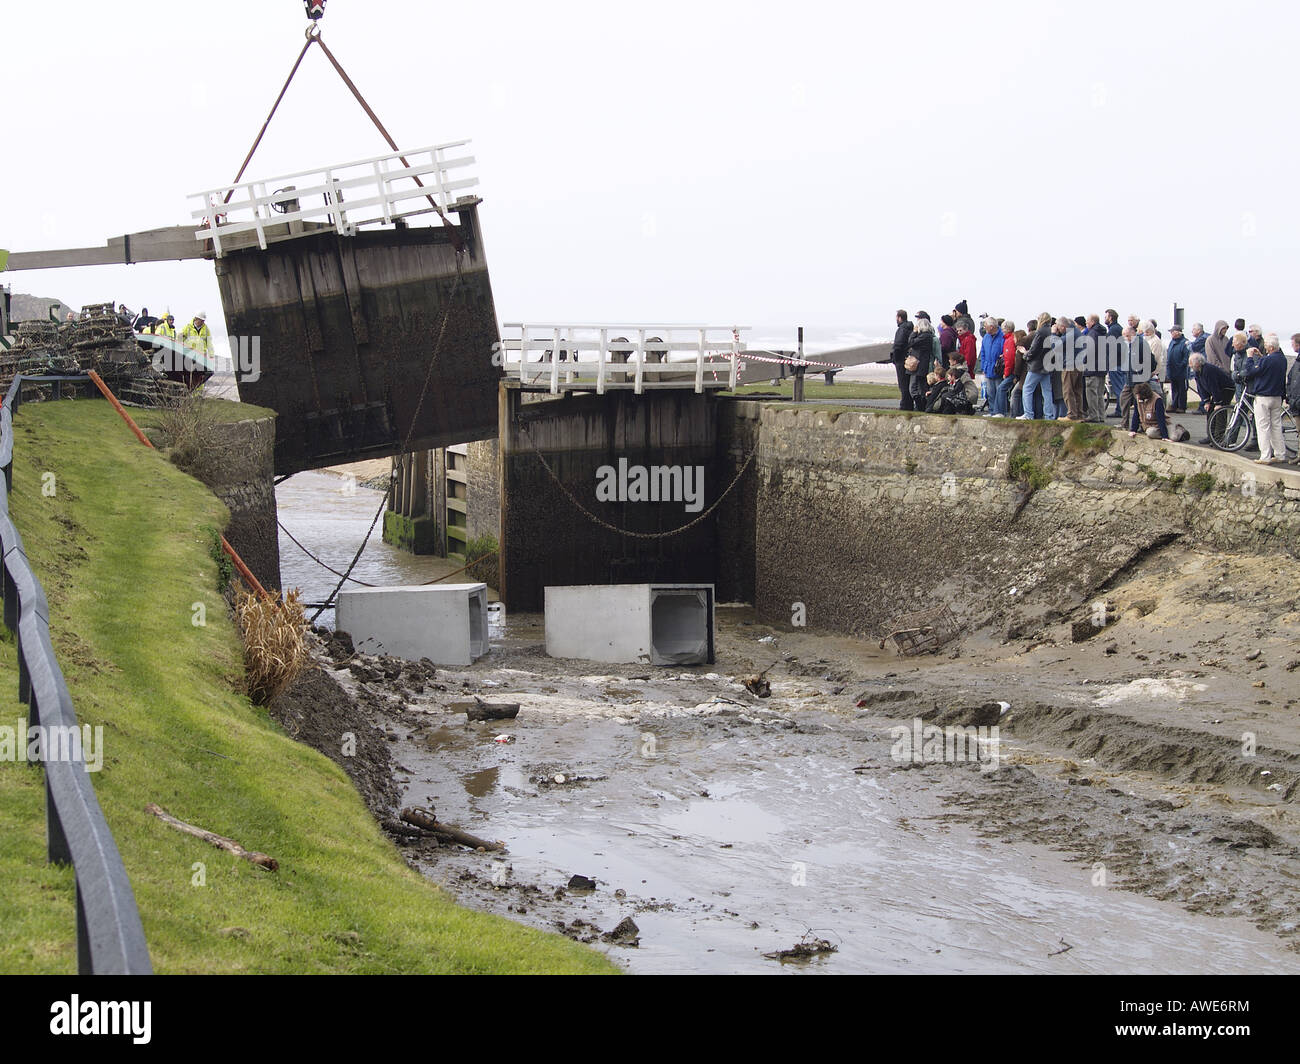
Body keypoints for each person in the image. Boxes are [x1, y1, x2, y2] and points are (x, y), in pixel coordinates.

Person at [1240, 337, 1288, 463]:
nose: (1265, 347)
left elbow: (1251, 371)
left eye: (1266, 346)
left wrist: (1250, 357)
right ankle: (1280, 454)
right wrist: (1262, 356)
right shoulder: (1282, 359)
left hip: (1263, 397)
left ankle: (1265, 456)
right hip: (1277, 397)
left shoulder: (1267, 360)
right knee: (1276, 426)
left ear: (1271, 348)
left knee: (1263, 427)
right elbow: (1267, 366)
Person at [1018, 313, 1057, 420]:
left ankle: (1028, 414)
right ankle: (1049, 415)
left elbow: (1034, 350)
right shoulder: (1052, 332)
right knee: (1047, 392)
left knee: (1027, 389)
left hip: (1036, 366)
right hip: (1047, 366)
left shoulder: (1039, 332)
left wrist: (1025, 354)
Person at [1189, 352, 1234, 443]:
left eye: (1191, 363)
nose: (1190, 365)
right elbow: (1200, 387)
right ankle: (1211, 436)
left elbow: (1214, 386)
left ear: (1198, 363)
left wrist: (1218, 403)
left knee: (1220, 412)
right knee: (1210, 411)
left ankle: (1218, 438)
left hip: (1226, 388)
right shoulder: (1197, 372)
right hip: (1217, 390)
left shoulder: (1208, 370)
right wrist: (1206, 401)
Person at [907, 317, 935, 409]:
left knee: (914, 388)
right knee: (920, 387)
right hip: (921, 364)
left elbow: (911, 342)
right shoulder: (928, 336)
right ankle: (921, 405)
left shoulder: (925, 336)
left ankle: (920, 406)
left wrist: (914, 332)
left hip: (918, 365)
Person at [891, 309, 915, 410]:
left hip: (901, 360)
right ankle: (908, 404)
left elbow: (898, 345)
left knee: (903, 383)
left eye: (897, 317)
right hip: (908, 358)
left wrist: (895, 358)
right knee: (907, 382)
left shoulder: (902, 329)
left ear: (900, 318)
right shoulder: (910, 328)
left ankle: (904, 405)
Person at [993, 319, 1017, 416]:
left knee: (1001, 388)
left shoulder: (1009, 340)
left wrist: (1006, 373)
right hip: (1013, 370)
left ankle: (1000, 411)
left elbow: (1010, 359)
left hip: (1011, 371)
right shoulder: (1011, 339)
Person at [978, 316, 1002, 411]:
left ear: (991, 326)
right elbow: (982, 353)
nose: (984, 328)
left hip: (998, 369)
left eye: (985, 326)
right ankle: (992, 411)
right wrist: (983, 367)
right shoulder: (986, 338)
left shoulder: (1002, 336)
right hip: (988, 369)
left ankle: (999, 411)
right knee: (990, 392)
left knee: (999, 392)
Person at [1166, 323, 1190, 412]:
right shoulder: (1172, 342)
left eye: (1172, 331)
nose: (1171, 333)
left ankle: (1181, 406)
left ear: (1178, 332)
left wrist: (1181, 365)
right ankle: (1174, 405)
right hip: (1172, 370)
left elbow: (1186, 357)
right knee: (1174, 388)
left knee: (1181, 389)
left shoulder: (1185, 342)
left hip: (1181, 371)